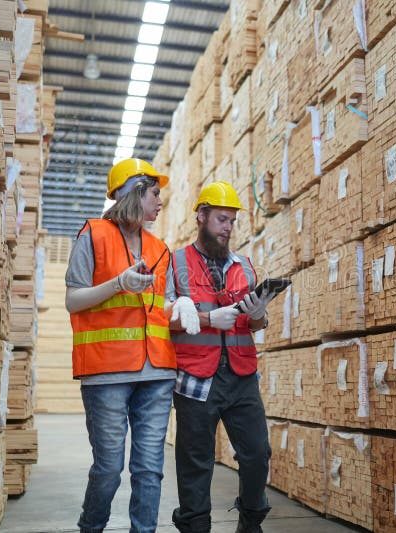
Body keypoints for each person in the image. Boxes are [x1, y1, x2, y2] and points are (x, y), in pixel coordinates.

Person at [65, 158, 178, 533]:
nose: (160, 201)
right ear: (135, 191)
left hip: (157, 372)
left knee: (149, 469)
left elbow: (163, 306)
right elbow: (73, 299)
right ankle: (91, 527)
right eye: (155, 193)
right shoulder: (93, 235)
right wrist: (119, 284)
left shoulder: (160, 248)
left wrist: (190, 309)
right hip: (106, 373)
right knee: (109, 468)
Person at [164, 181, 275, 533]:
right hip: (196, 377)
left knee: (257, 453)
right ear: (201, 216)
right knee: (195, 461)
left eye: (231, 221)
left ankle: (251, 522)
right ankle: (195, 526)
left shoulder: (244, 264)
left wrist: (257, 311)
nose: (227, 228)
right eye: (221, 220)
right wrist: (209, 318)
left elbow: (256, 323)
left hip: (242, 376)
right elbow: (162, 317)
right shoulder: (176, 261)